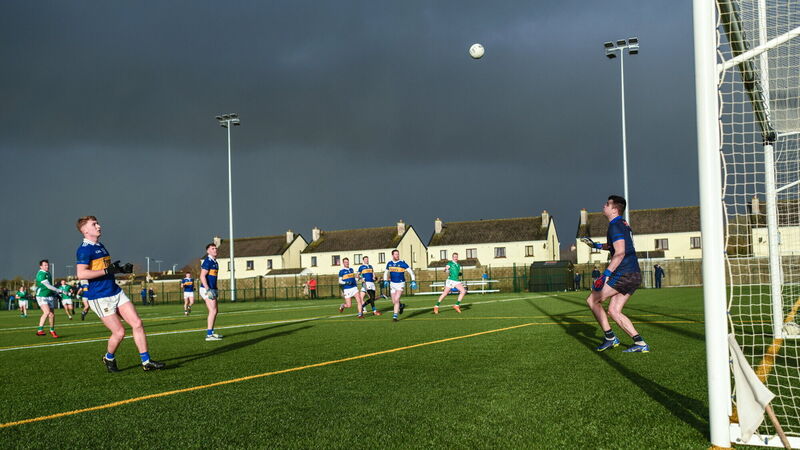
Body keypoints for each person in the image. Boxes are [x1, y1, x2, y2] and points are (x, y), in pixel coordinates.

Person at [75, 215, 165, 372]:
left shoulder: (101, 246)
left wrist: (120, 270)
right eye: (94, 224)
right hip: (100, 297)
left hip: (115, 291)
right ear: (85, 230)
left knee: (137, 323)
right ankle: (109, 357)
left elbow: (105, 271)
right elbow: (81, 274)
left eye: (98, 223)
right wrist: (107, 270)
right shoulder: (84, 250)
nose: (98, 226)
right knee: (119, 332)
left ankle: (146, 362)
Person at [580, 196, 649, 353]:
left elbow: (619, 253)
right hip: (633, 273)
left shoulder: (615, 226)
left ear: (614, 209)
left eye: (607, 204)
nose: (603, 205)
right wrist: (595, 245)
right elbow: (614, 245)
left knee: (592, 300)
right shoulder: (622, 224)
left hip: (624, 273)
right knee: (614, 310)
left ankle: (610, 338)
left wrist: (605, 275)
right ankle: (640, 343)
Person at [383, 249, 417, 322]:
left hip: (400, 283)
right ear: (392, 255)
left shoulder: (402, 263)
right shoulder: (389, 263)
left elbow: (411, 272)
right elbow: (385, 273)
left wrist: (413, 281)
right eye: (395, 254)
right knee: (394, 301)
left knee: (397, 299)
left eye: (398, 254)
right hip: (392, 284)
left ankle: (395, 317)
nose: (397, 255)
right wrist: (385, 280)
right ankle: (401, 306)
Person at [200, 243, 223, 341]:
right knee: (213, 311)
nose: (215, 250)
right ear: (208, 251)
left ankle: (211, 333)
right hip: (206, 289)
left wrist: (215, 288)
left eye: (216, 248)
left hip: (212, 288)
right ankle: (209, 335)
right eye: (212, 248)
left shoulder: (215, 262)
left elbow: (213, 278)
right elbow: (202, 276)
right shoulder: (207, 261)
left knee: (214, 311)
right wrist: (208, 289)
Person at [34, 260, 61, 338]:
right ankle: (40, 330)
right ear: (41, 266)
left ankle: (52, 330)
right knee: (47, 312)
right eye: (45, 265)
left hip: (49, 295)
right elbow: (48, 286)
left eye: (47, 265)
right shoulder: (40, 274)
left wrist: (55, 293)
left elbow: (50, 286)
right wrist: (60, 290)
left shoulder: (48, 273)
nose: (47, 266)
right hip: (41, 296)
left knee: (52, 315)